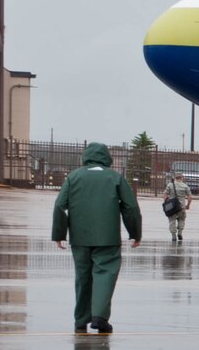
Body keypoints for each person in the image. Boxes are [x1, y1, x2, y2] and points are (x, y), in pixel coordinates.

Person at [51, 141, 143, 335]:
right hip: (108, 237)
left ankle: (80, 320)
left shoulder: (73, 177)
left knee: (82, 277)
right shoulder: (115, 177)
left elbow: (60, 205)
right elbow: (131, 207)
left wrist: (59, 234)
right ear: (106, 157)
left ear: (85, 157)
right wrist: (135, 233)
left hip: (80, 238)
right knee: (105, 275)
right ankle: (99, 316)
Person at [161, 168, 193, 244]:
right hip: (181, 207)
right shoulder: (185, 186)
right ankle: (180, 232)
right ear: (182, 178)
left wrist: (165, 202)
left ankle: (173, 235)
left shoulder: (170, 185)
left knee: (172, 221)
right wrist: (188, 205)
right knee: (181, 219)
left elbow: (165, 194)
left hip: (172, 207)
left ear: (175, 178)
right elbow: (190, 197)